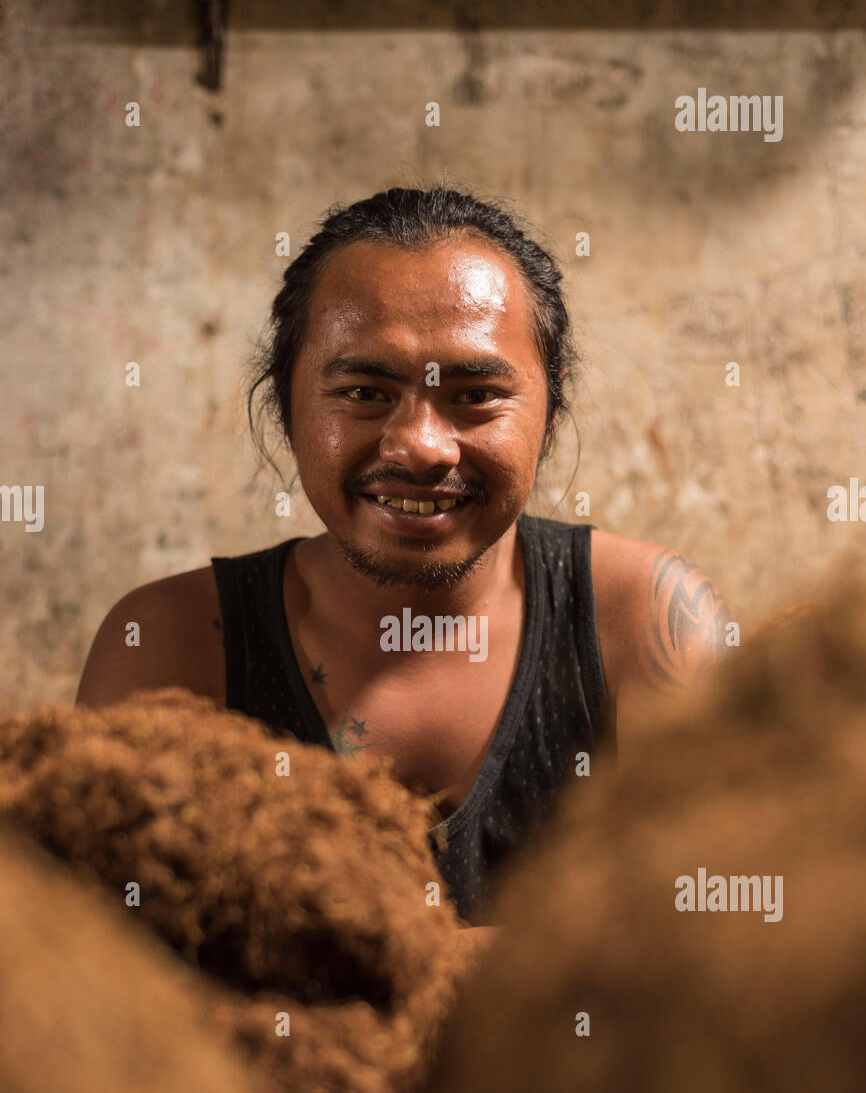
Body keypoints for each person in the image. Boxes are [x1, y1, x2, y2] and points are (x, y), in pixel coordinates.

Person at [77, 185, 729, 921]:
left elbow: (712, 953)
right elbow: (107, 988)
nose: (420, 447)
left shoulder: (642, 621)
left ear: (552, 406)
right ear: (282, 402)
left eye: (476, 394)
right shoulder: (170, 645)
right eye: (363, 391)